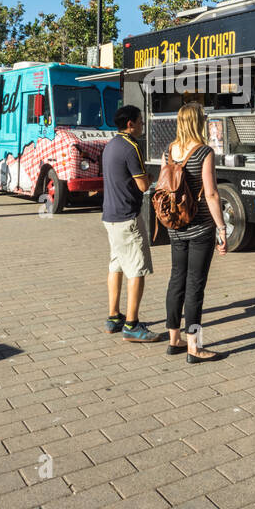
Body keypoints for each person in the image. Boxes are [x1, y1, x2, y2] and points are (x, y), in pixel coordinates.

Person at [164, 102, 228, 363]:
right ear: (199, 121)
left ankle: (173, 340)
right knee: (195, 286)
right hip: (200, 226)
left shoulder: (170, 149)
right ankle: (194, 347)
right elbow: (211, 193)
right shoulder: (204, 152)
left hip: (176, 225)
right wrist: (222, 228)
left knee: (176, 279)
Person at [101, 105, 163, 343]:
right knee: (137, 269)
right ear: (130, 124)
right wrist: (152, 177)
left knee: (116, 265)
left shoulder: (111, 145)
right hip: (128, 217)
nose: (142, 125)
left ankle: (114, 316)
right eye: (140, 121)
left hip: (110, 215)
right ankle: (132, 324)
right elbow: (142, 186)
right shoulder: (132, 147)